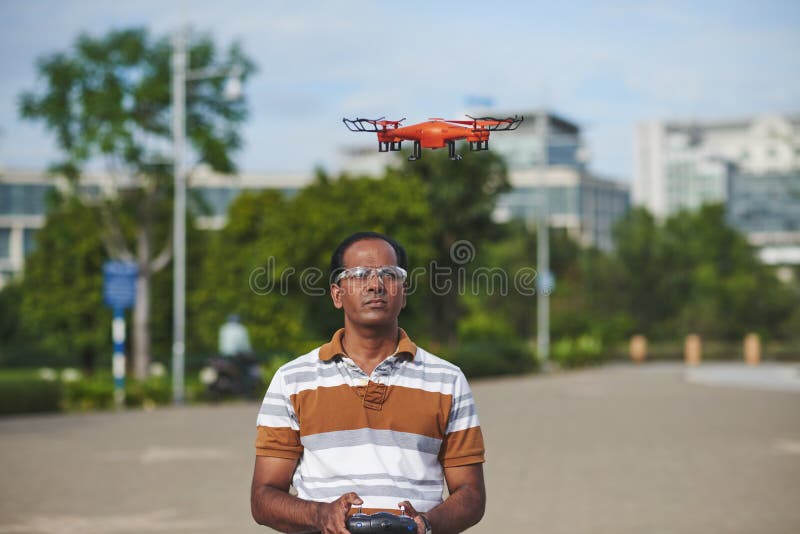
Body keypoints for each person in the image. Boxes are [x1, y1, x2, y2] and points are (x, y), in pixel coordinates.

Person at [251, 232, 486, 534]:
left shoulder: (447, 381)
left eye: (389, 275)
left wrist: (426, 524)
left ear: (403, 292)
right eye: (360, 275)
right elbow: (263, 497)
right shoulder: (292, 380)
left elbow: (471, 495)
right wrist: (321, 515)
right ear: (337, 294)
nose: (376, 285)